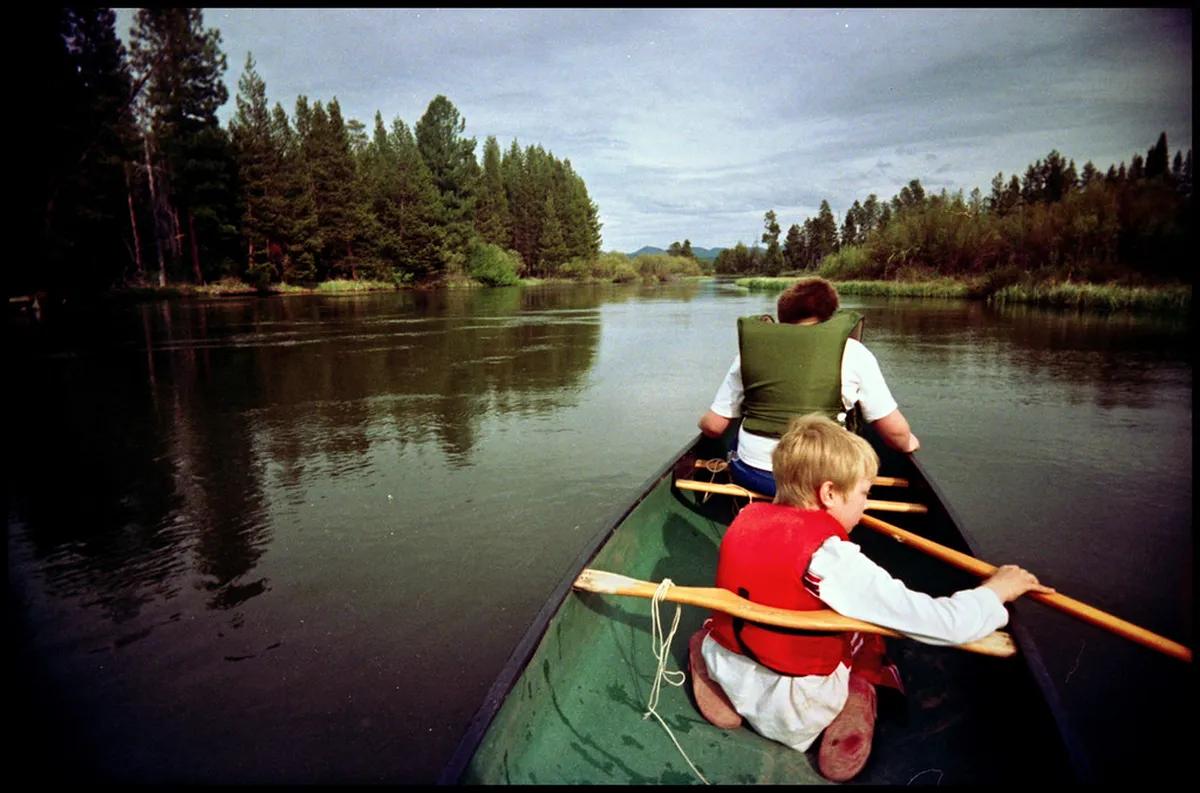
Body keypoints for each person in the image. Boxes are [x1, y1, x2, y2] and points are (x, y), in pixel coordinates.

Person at [688, 414, 1053, 782]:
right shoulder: (833, 559)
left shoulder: (746, 517)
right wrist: (996, 591)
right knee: (868, 634)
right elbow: (947, 625)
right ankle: (862, 686)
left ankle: (707, 660)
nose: (866, 506)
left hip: (730, 669)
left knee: (724, 619)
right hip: (799, 711)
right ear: (829, 493)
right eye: (864, 493)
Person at [698, 277, 919, 497]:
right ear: (830, 318)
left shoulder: (750, 353)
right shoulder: (854, 352)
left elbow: (714, 427)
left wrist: (700, 421)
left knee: (736, 437)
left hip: (757, 477)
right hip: (822, 483)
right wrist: (910, 442)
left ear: (783, 319)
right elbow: (896, 435)